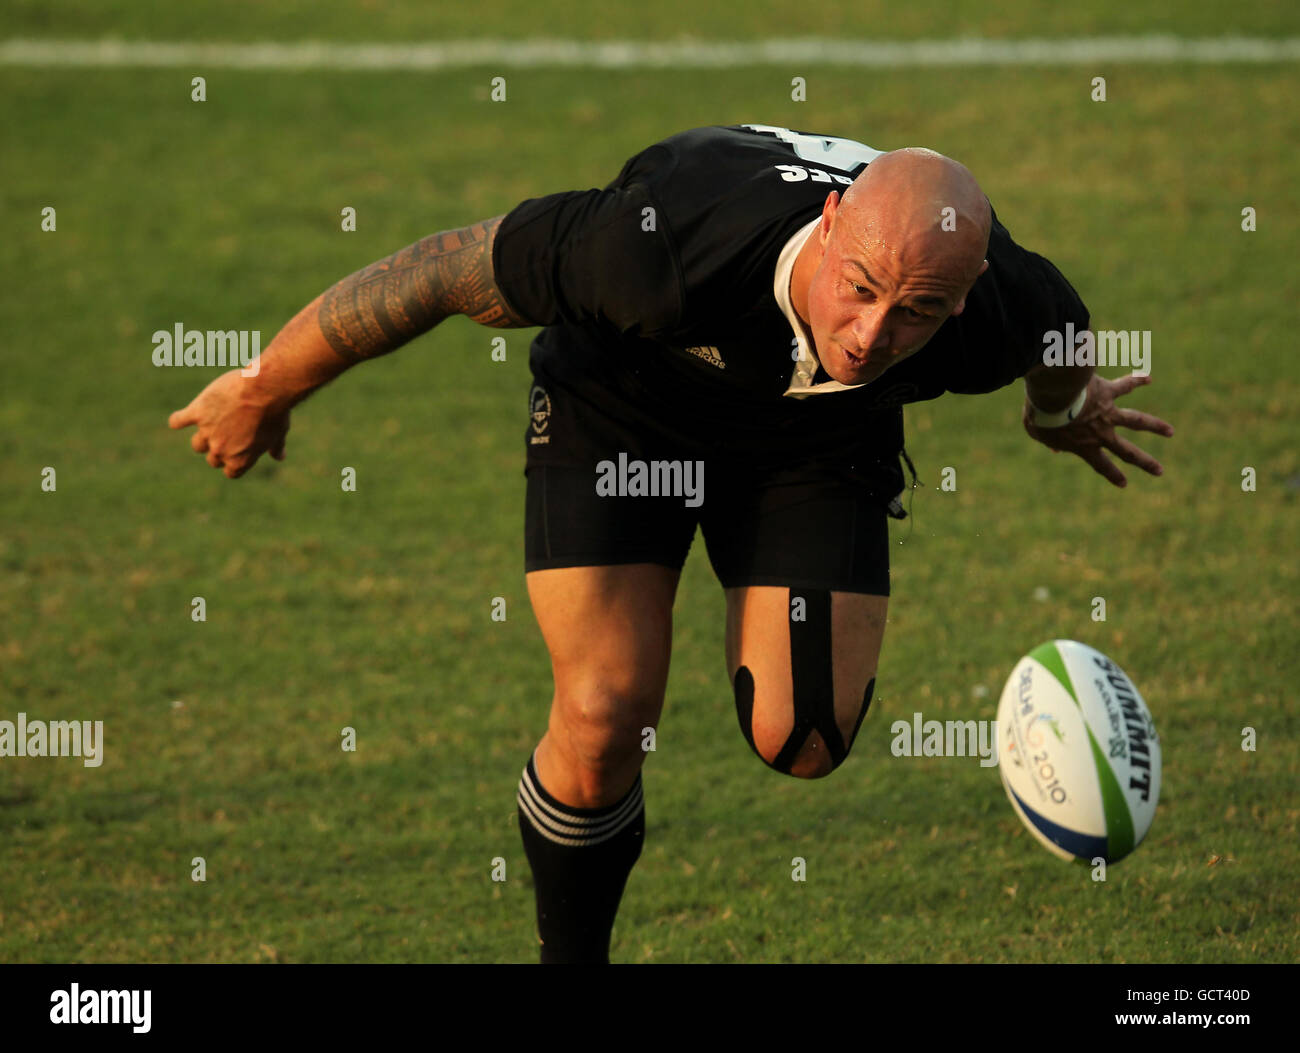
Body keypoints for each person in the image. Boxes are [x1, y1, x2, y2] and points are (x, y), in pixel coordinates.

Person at [169, 123, 1173, 963]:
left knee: (805, 739)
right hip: (623, 411)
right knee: (604, 711)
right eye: (858, 287)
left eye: (913, 314)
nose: (870, 334)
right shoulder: (660, 246)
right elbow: (442, 272)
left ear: (962, 299)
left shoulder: (998, 306)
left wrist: (1059, 416)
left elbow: (1058, 341)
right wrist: (264, 385)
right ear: (830, 228)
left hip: (813, 443)